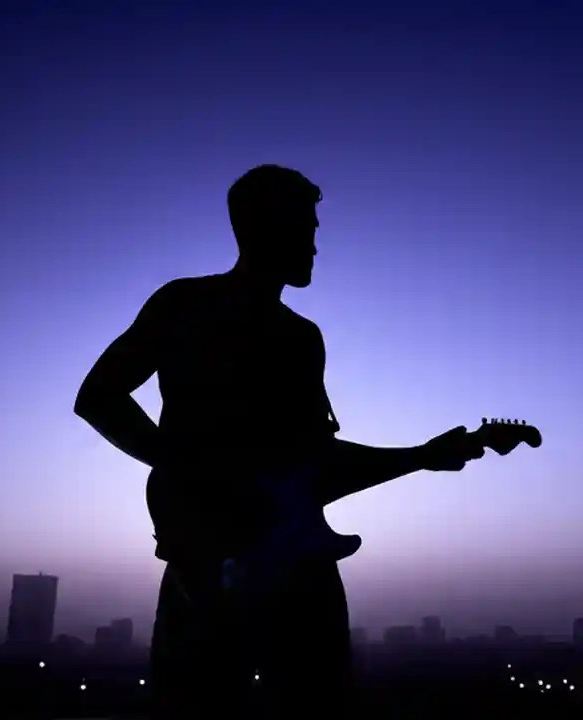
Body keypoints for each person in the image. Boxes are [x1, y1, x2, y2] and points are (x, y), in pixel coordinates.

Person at [73, 164, 485, 718]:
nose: (315, 245)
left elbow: (314, 465)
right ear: (262, 227)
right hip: (212, 567)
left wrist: (421, 458)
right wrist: (187, 468)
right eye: (306, 228)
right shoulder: (183, 304)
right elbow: (98, 396)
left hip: (296, 567)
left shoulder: (302, 338)